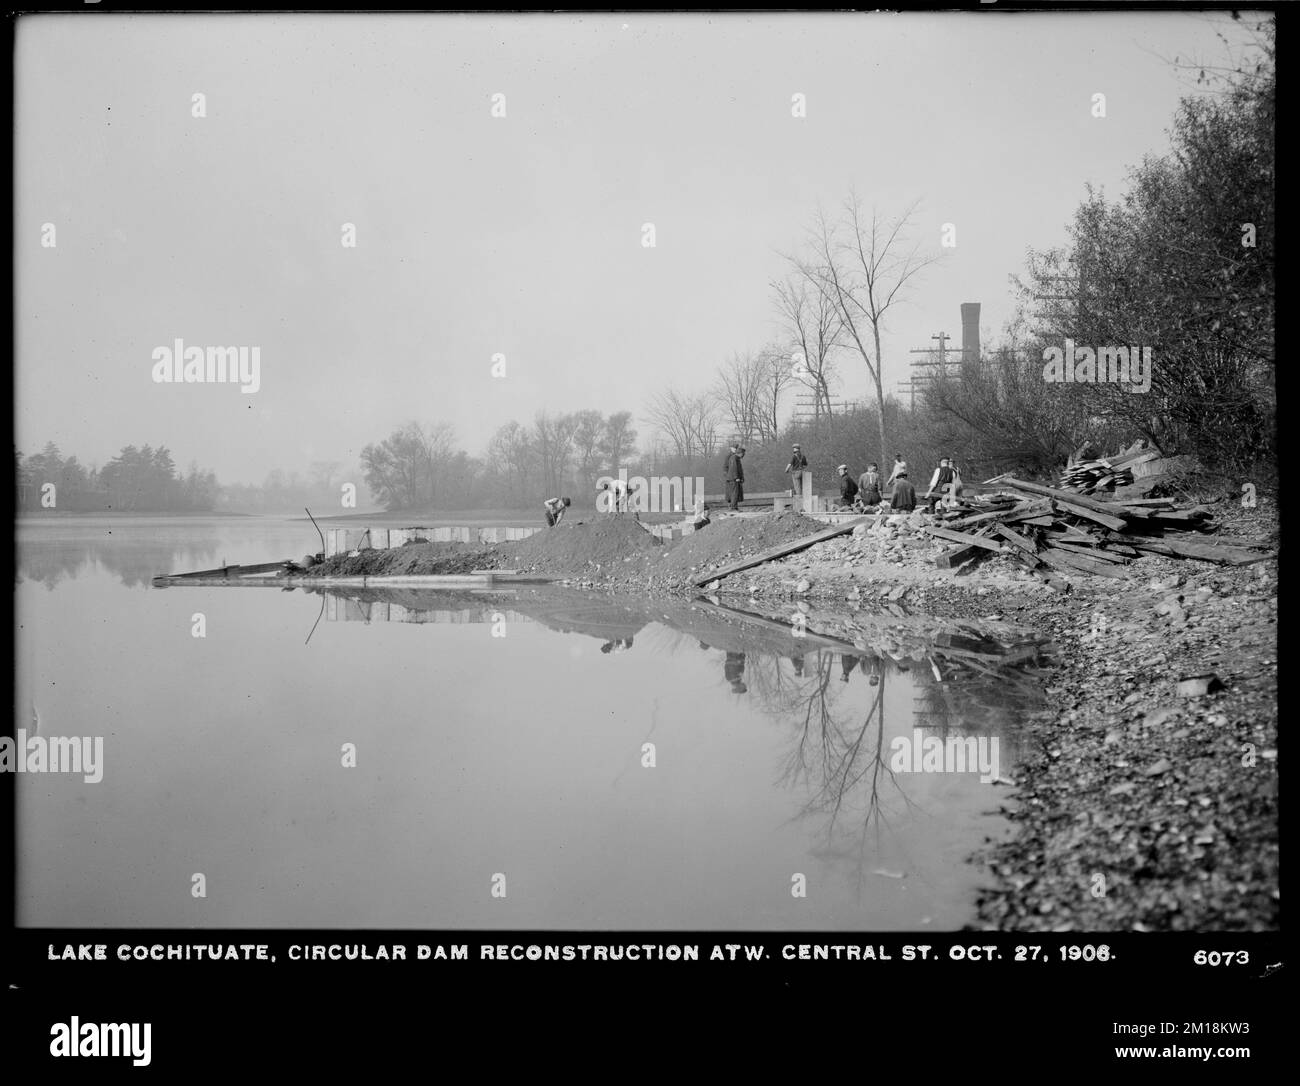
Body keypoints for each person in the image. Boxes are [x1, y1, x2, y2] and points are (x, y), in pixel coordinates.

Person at [724, 442, 745, 511]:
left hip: (731, 478)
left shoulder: (734, 457)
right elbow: (734, 468)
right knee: (734, 493)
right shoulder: (733, 458)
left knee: (735, 493)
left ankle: (734, 507)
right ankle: (733, 508)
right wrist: (736, 477)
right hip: (732, 478)